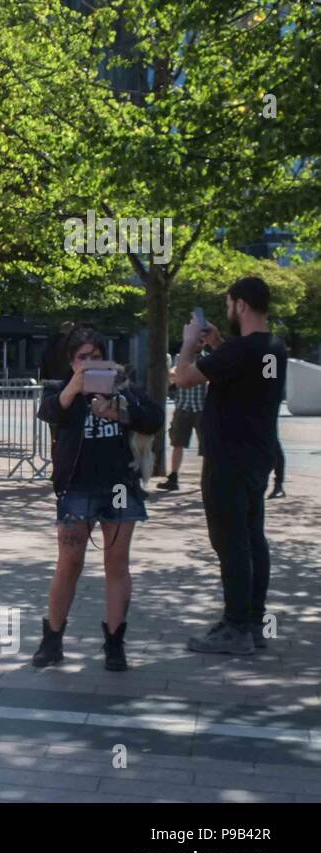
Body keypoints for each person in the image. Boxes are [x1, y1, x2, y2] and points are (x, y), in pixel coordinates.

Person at [32, 326, 163, 671]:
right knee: (68, 562)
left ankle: (115, 644)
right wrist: (74, 387)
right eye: (82, 358)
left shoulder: (125, 387)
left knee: (117, 563)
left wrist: (122, 413)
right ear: (71, 361)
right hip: (76, 487)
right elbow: (49, 412)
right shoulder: (64, 391)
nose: (89, 364)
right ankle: (52, 639)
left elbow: (155, 418)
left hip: (119, 486)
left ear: (105, 356)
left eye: (95, 356)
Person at [175, 276, 288, 654]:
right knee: (253, 539)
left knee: (230, 542)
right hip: (258, 457)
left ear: (240, 305)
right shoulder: (273, 349)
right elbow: (253, 378)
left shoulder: (241, 352)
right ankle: (253, 622)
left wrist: (190, 344)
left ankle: (235, 626)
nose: (227, 310)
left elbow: (183, 377)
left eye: (228, 304)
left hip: (227, 458)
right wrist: (220, 347)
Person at [156, 360, 206, 492]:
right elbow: (172, 376)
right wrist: (172, 373)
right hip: (183, 406)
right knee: (177, 442)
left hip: (202, 407)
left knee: (207, 445)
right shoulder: (182, 359)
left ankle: (208, 477)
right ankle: (173, 477)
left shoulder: (207, 359)